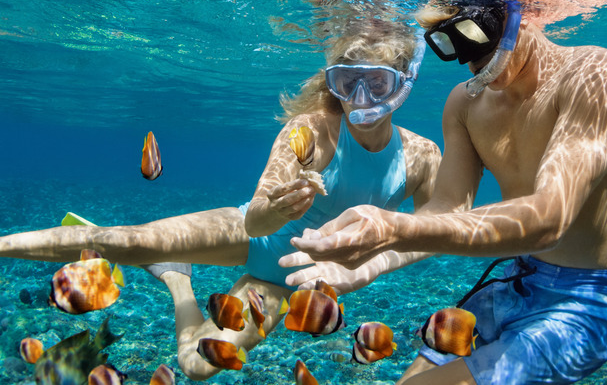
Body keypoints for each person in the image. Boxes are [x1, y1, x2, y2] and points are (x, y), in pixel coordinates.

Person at [0, 20, 441, 380]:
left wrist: (365, 268)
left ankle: (177, 279)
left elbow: (437, 232)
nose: (359, 101)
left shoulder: (422, 156)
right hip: (252, 236)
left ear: (404, 84)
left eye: (378, 84)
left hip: (284, 284)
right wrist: (280, 206)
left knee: (196, 365)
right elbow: (257, 224)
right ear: (333, 82)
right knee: (124, 241)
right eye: (347, 83)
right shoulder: (312, 131)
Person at [280, 0, 607, 385]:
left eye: (478, 39)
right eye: (454, 47)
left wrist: (392, 229)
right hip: (516, 280)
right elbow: (447, 209)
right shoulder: (465, 104)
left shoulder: (597, 74)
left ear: (517, 15)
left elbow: (549, 217)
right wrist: (373, 262)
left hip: (587, 300)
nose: (473, 64)